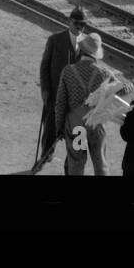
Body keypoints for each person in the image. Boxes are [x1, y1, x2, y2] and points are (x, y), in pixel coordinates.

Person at [53, 32, 117, 176]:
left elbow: (60, 104)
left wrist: (59, 128)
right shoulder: (105, 73)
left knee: (76, 162)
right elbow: (122, 89)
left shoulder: (68, 71)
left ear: (81, 50)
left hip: (76, 125)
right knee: (100, 162)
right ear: (96, 54)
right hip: (96, 123)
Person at [33, 7, 87, 172]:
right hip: (55, 95)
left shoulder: (87, 45)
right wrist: (45, 90)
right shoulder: (55, 40)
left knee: (76, 136)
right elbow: (45, 67)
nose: (79, 28)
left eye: (82, 25)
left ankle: (71, 165)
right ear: (69, 21)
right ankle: (45, 156)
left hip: (76, 101)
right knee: (50, 129)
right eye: (76, 23)